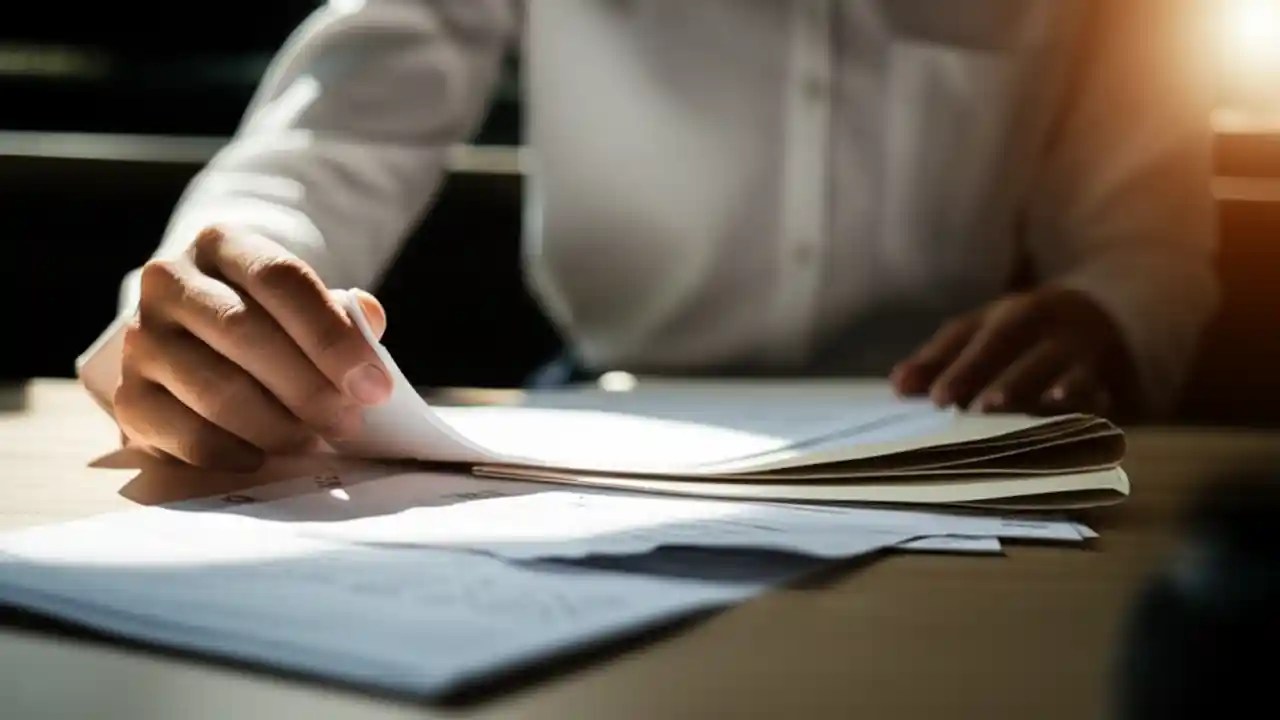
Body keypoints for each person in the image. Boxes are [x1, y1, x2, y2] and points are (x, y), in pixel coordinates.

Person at [76, 1, 1219, 471]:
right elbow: (330, 136)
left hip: (958, 446)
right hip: (595, 430)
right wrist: (213, 295)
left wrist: (1109, 316)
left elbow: (1149, 236)